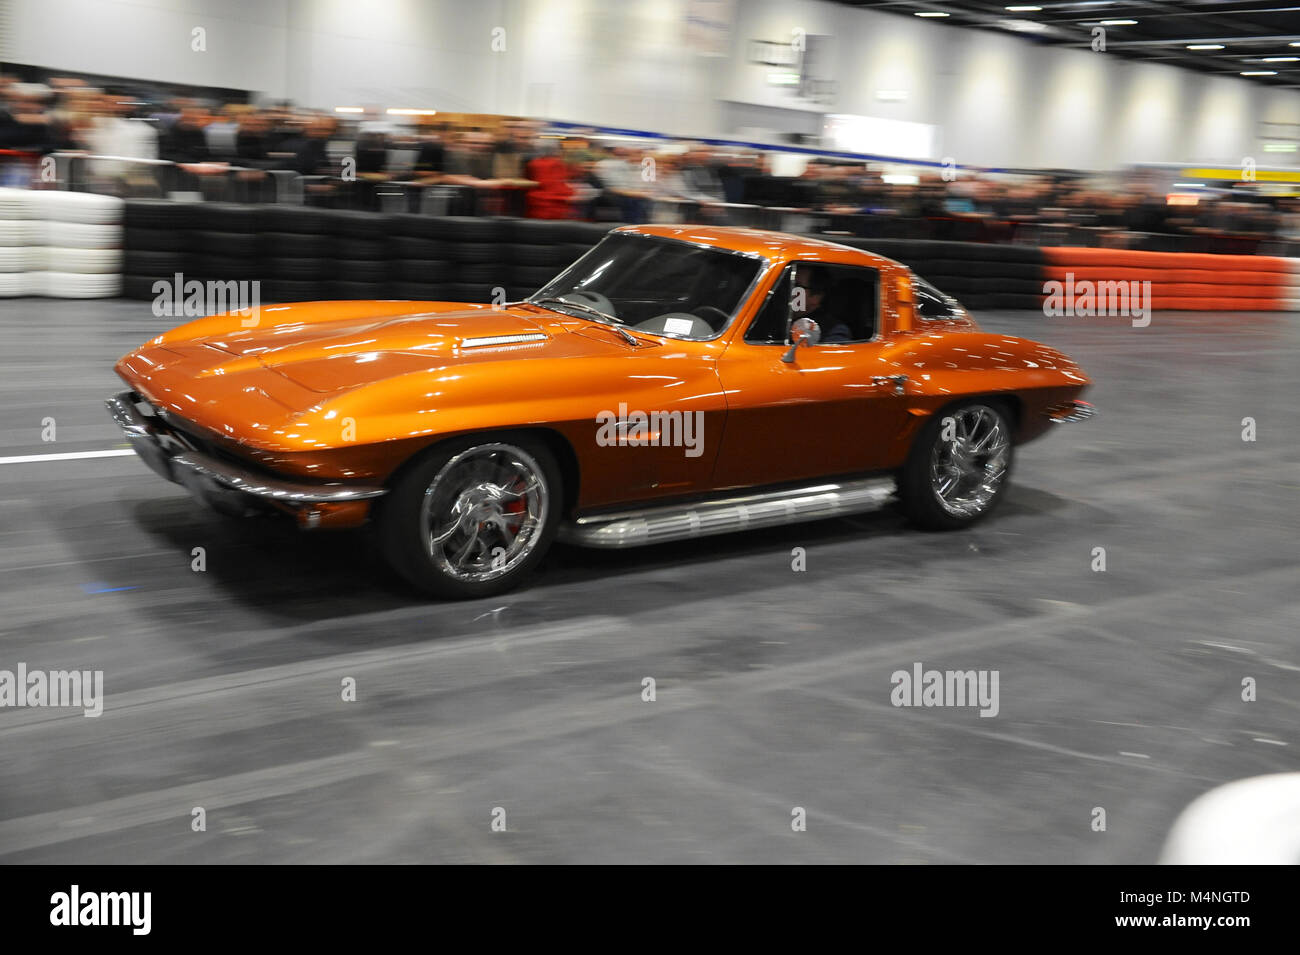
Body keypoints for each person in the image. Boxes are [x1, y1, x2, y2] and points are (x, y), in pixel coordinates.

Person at [792, 265, 852, 343]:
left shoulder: (833, 332)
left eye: (796, 286)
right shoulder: (779, 319)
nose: (787, 290)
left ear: (816, 297)